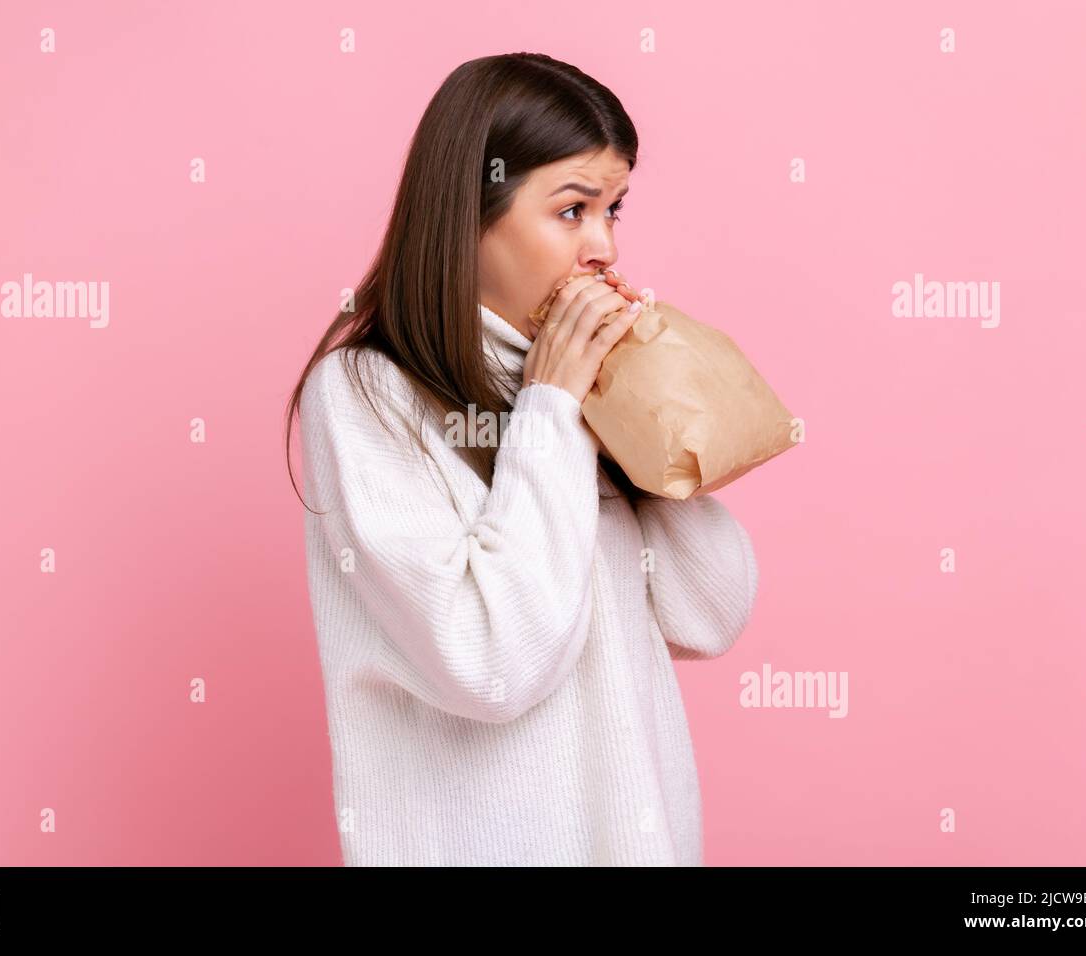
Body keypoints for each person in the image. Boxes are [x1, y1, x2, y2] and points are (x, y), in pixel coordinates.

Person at [284, 52, 758, 866]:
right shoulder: (364, 393)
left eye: (615, 209)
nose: (603, 246)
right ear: (470, 212)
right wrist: (549, 410)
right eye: (572, 210)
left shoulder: (571, 392)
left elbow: (710, 615)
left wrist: (638, 412)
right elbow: (491, 664)